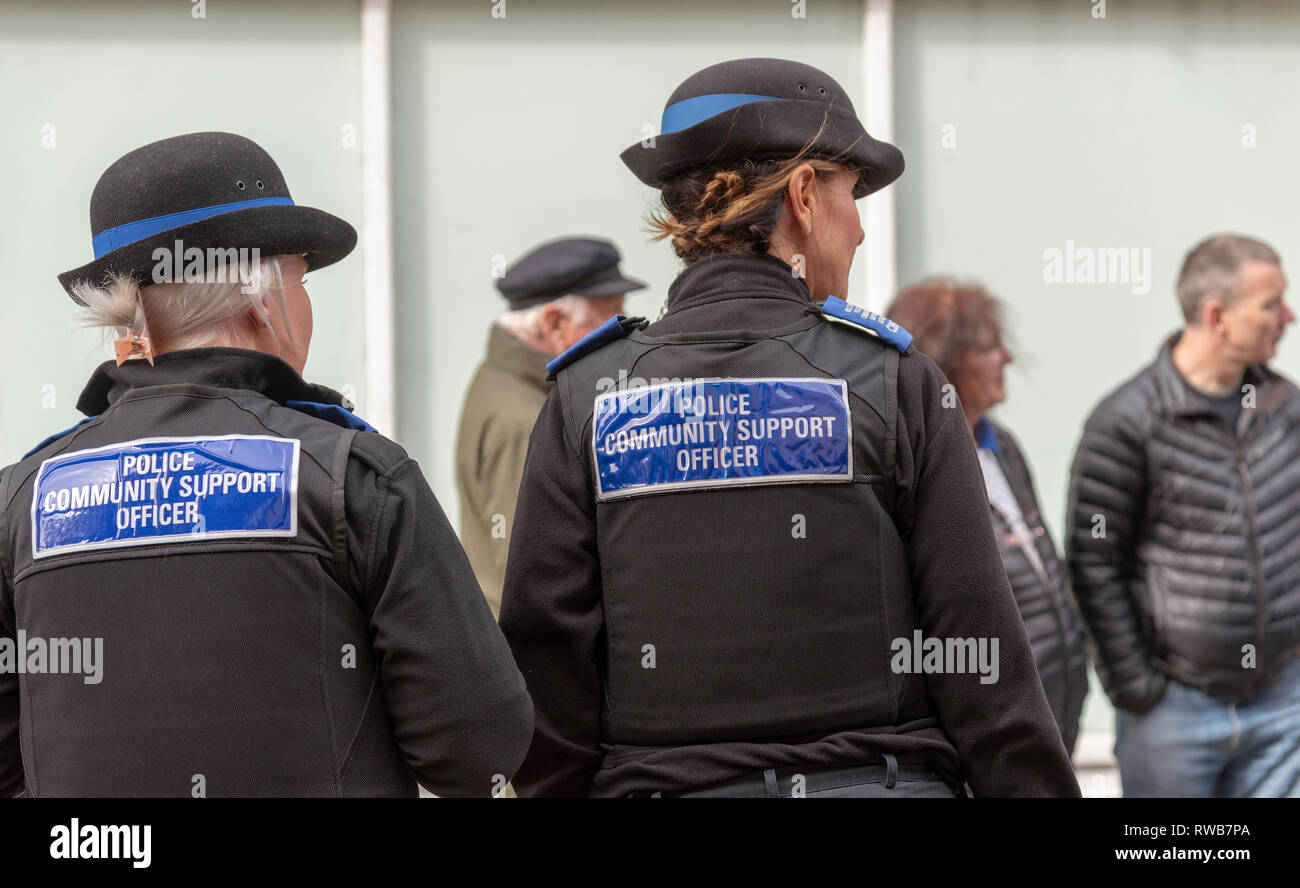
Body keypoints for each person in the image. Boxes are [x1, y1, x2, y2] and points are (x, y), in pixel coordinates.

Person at [498, 58, 1081, 798]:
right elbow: (978, 658)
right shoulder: (894, 383)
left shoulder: (586, 395)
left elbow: (546, 673)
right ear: (804, 195)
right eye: (851, 192)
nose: (863, 228)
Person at [0, 131, 532, 798]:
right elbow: (477, 748)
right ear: (262, 302)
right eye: (301, 283)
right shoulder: (353, 475)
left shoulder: (22, 498)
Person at [1067, 233, 1300, 798]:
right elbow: (1093, 563)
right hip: (1174, 712)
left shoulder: (1285, 407)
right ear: (1217, 316)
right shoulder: (1126, 421)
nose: (1288, 317)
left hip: (1282, 704)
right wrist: (1137, 687)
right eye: (1270, 305)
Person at [887, 278, 1089, 754]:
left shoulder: (1002, 446)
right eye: (991, 346)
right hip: (988, 738)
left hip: (1052, 715)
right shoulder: (913, 464)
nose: (1008, 358)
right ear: (946, 360)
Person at [456, 237, 644, 618]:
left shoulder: (507, 381)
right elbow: (532, 577)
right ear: (555, 323)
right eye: (611, 316)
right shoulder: (525, 417)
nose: (624, 332)